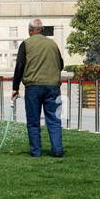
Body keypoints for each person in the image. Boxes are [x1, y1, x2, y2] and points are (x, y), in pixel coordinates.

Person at [12, 18, 65, 158]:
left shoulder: (26, 44)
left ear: (30, 31)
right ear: (42, 30)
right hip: (53, 87)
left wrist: (15, 87)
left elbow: (20, 66)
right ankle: (57, 150)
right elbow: (61, 64)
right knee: (54, 119)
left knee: (33, 121)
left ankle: (36, 152)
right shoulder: (52, 44)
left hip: (33, 87)